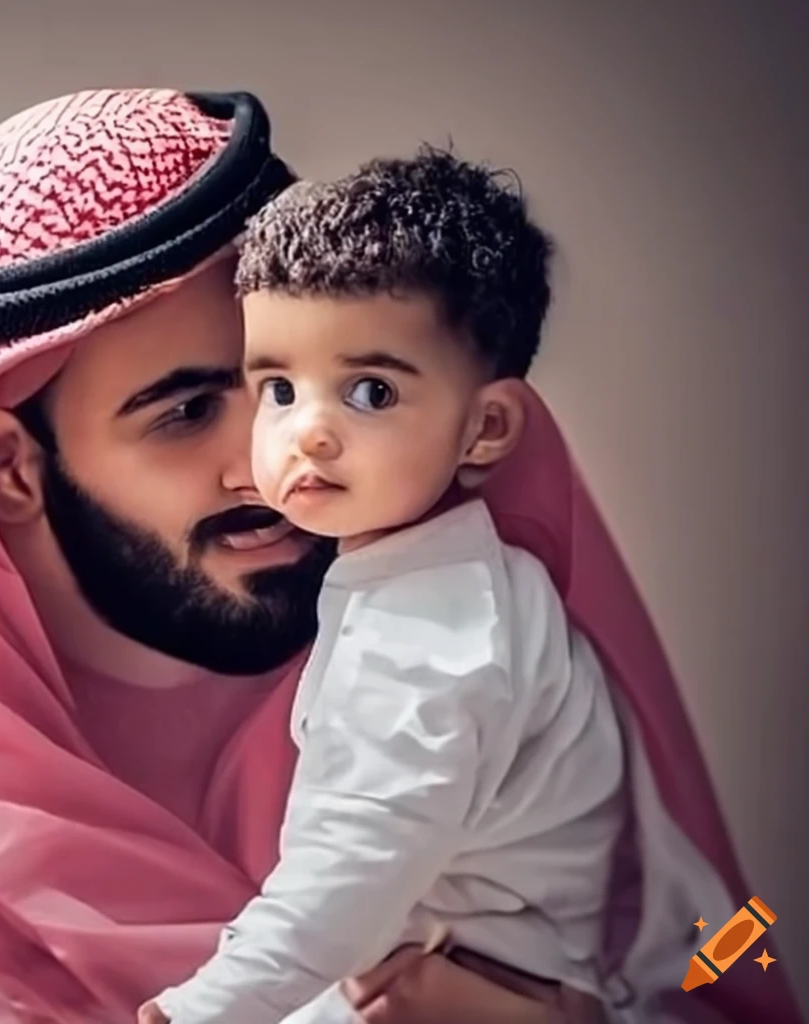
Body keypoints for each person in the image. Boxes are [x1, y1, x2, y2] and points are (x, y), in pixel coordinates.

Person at [0, 88, 801, 1024]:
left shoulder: (447, 625)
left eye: (306, 388)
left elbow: (724, 941)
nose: (278, 464)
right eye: (188, 411)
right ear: (9, 464)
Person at [144, 152, 626, 1024]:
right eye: (279, 389)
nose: (310, 436)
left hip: (467, 991)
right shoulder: (468, 574)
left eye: (369, 392)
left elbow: (342, 890)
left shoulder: (427, 642)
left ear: (486, 427)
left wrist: (190, 1014)